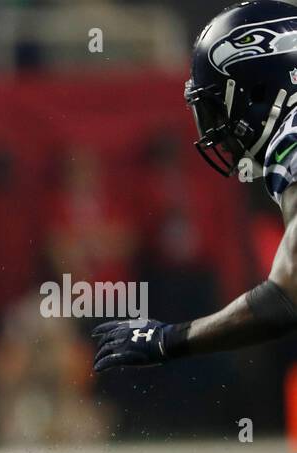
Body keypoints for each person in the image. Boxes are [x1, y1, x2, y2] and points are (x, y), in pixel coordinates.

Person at [94, 1, 297, 371]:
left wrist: (166, 339)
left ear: (257, 90)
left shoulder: (293, 139)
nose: (217, 128)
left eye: (218, 106)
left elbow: (285, 300)